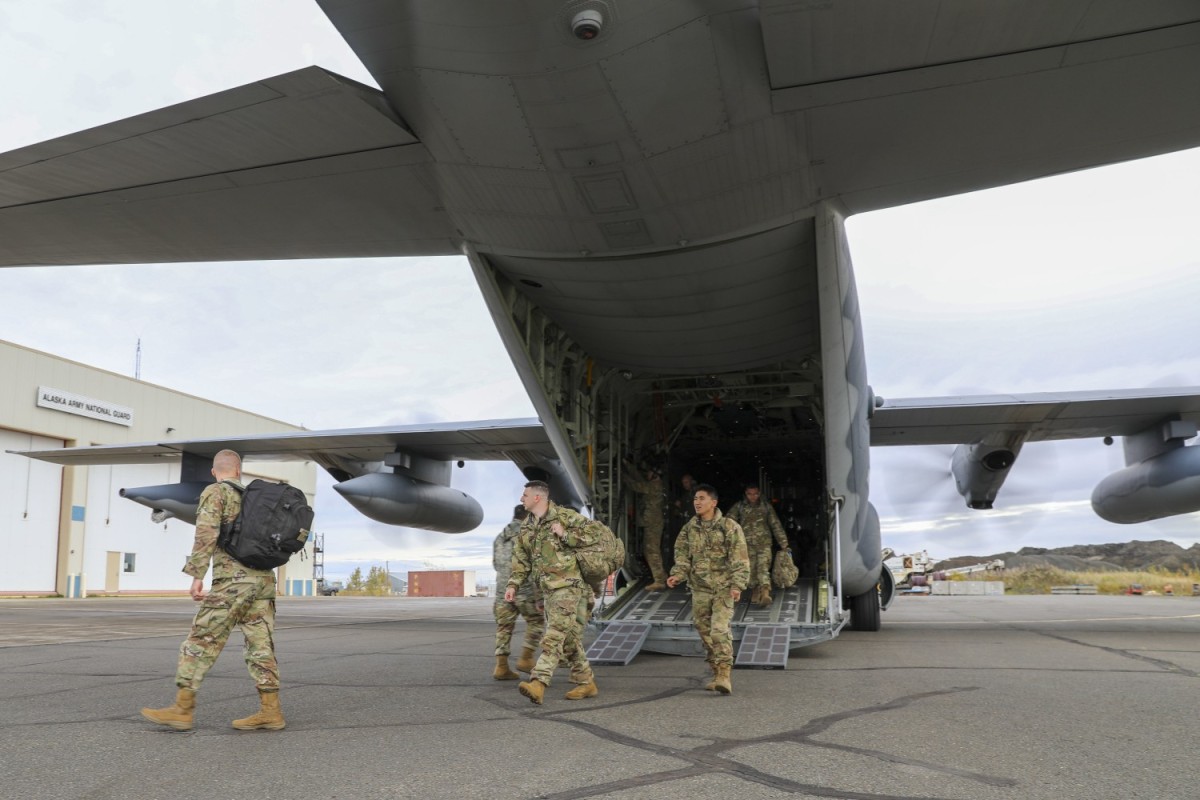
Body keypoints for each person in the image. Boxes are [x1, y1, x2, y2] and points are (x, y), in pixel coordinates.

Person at [140, 449, 284, 731]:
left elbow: (206, 533)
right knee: (261, 646)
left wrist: (196, 575)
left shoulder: (216, 492)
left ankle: (182, 709)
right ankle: (271, 711)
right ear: (239, 471)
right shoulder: (255, 499)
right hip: (264, 581)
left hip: (232, 582)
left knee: (201, 640)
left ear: (214, 471)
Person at [505, 480, 599, 705]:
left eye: (525, 495)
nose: (521, 499)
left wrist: (566, 535)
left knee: (554, 635)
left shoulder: (565, 517)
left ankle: (539, 683)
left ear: (538, 497)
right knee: (567, 640)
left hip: (569, 587)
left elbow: (595, 534)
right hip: (548, 590)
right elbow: (521, 560)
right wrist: (513, 585)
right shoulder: (526, 527)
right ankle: (587, 682)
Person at [667, 483, 749, 694]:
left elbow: (739, 558)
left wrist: (737, 585)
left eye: (702, 498)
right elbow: (683, 554)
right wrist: (678, 574)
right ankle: (715, 672)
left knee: (719, 630)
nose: (697, 502)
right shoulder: (689, 528)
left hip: (723, 588)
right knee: (705, 633)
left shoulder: (729, 527)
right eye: (695, 498)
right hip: (700, 588)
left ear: (713, 502)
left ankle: (724, 674)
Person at [492, 504, 544, 679]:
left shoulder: (500, 538)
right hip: (525, 590)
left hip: (502, 592)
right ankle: (526, 659)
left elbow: (496, 564)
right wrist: (540, 597)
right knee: (536, 621)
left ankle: (501, 667)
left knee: (504, 627)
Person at [726, 484, 791, 606]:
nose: (753, 497)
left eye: (755, 494)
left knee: (763, 568)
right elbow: (729, 522)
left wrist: (783, 542)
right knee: (751, 569)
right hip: (746, 544)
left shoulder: (766, 507)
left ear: (759, 493)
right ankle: (755, 591)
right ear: (746, 494)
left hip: (764, 543)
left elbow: (775, 524)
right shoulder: (739, 507)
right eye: (750, 494)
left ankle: (765, 593)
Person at [623, 461, 668, 591]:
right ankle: (662, 575)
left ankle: (659, 580)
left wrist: (624, 476)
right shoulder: (654, 484)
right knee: (650, 550)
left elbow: (636, 485)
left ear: (654, 475)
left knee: (651, 551)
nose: (647, 474)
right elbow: (639, 478)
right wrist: (629, 466)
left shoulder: (654, 486)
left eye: (649, 473)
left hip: (653, 523)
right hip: (652, 522)